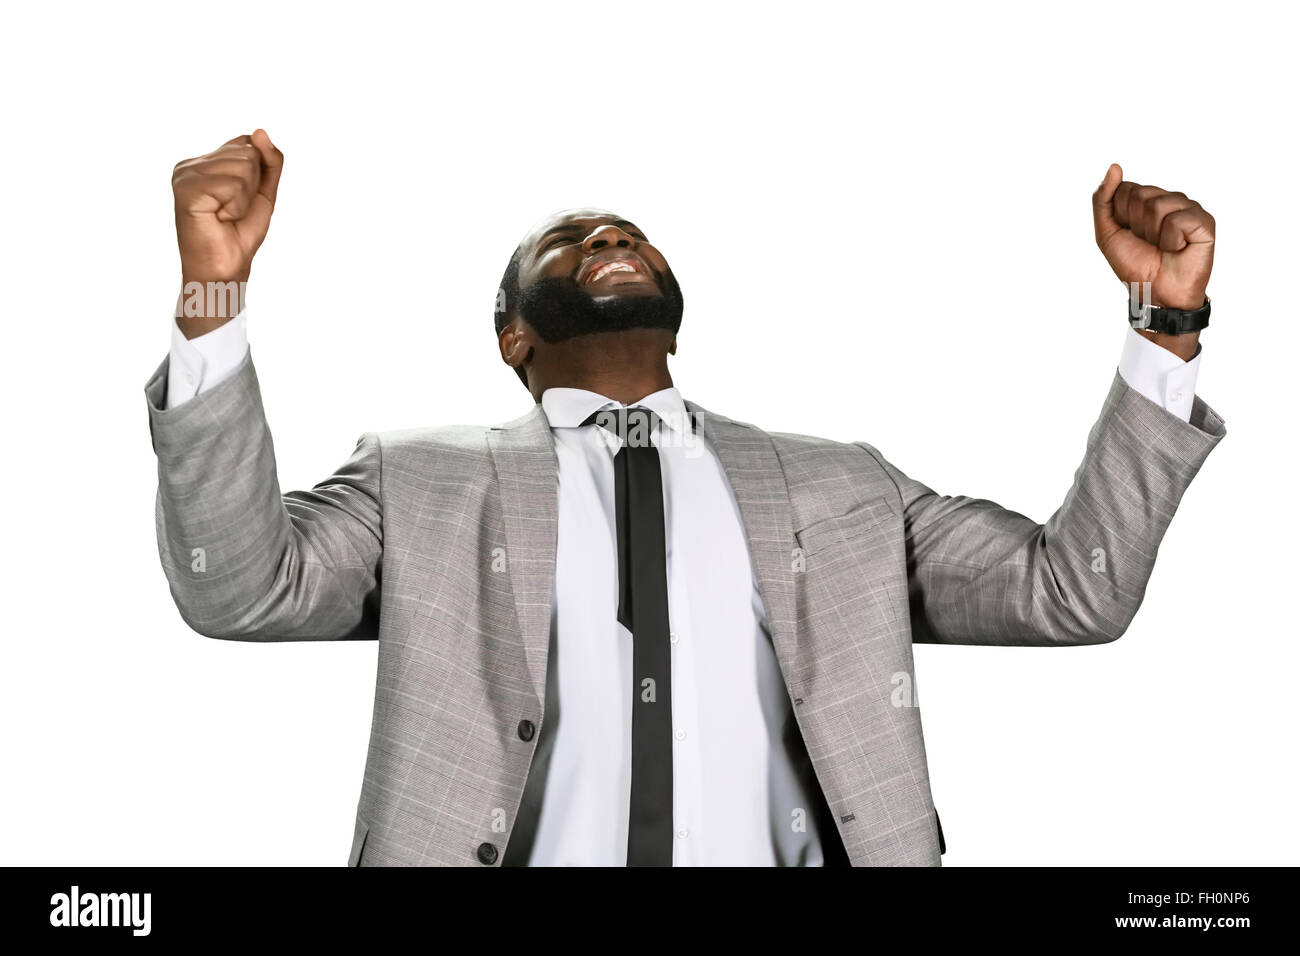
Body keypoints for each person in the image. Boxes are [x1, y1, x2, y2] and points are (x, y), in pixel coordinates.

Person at [146, 129, 1225, 866]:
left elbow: (1069, 593)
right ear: (513, 335)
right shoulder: (415, 477)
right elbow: (239, 588)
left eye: (626, 233)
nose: (608, 238)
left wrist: (1161, 328)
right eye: (568, 240)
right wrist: (213, 299)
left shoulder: (843, 481)